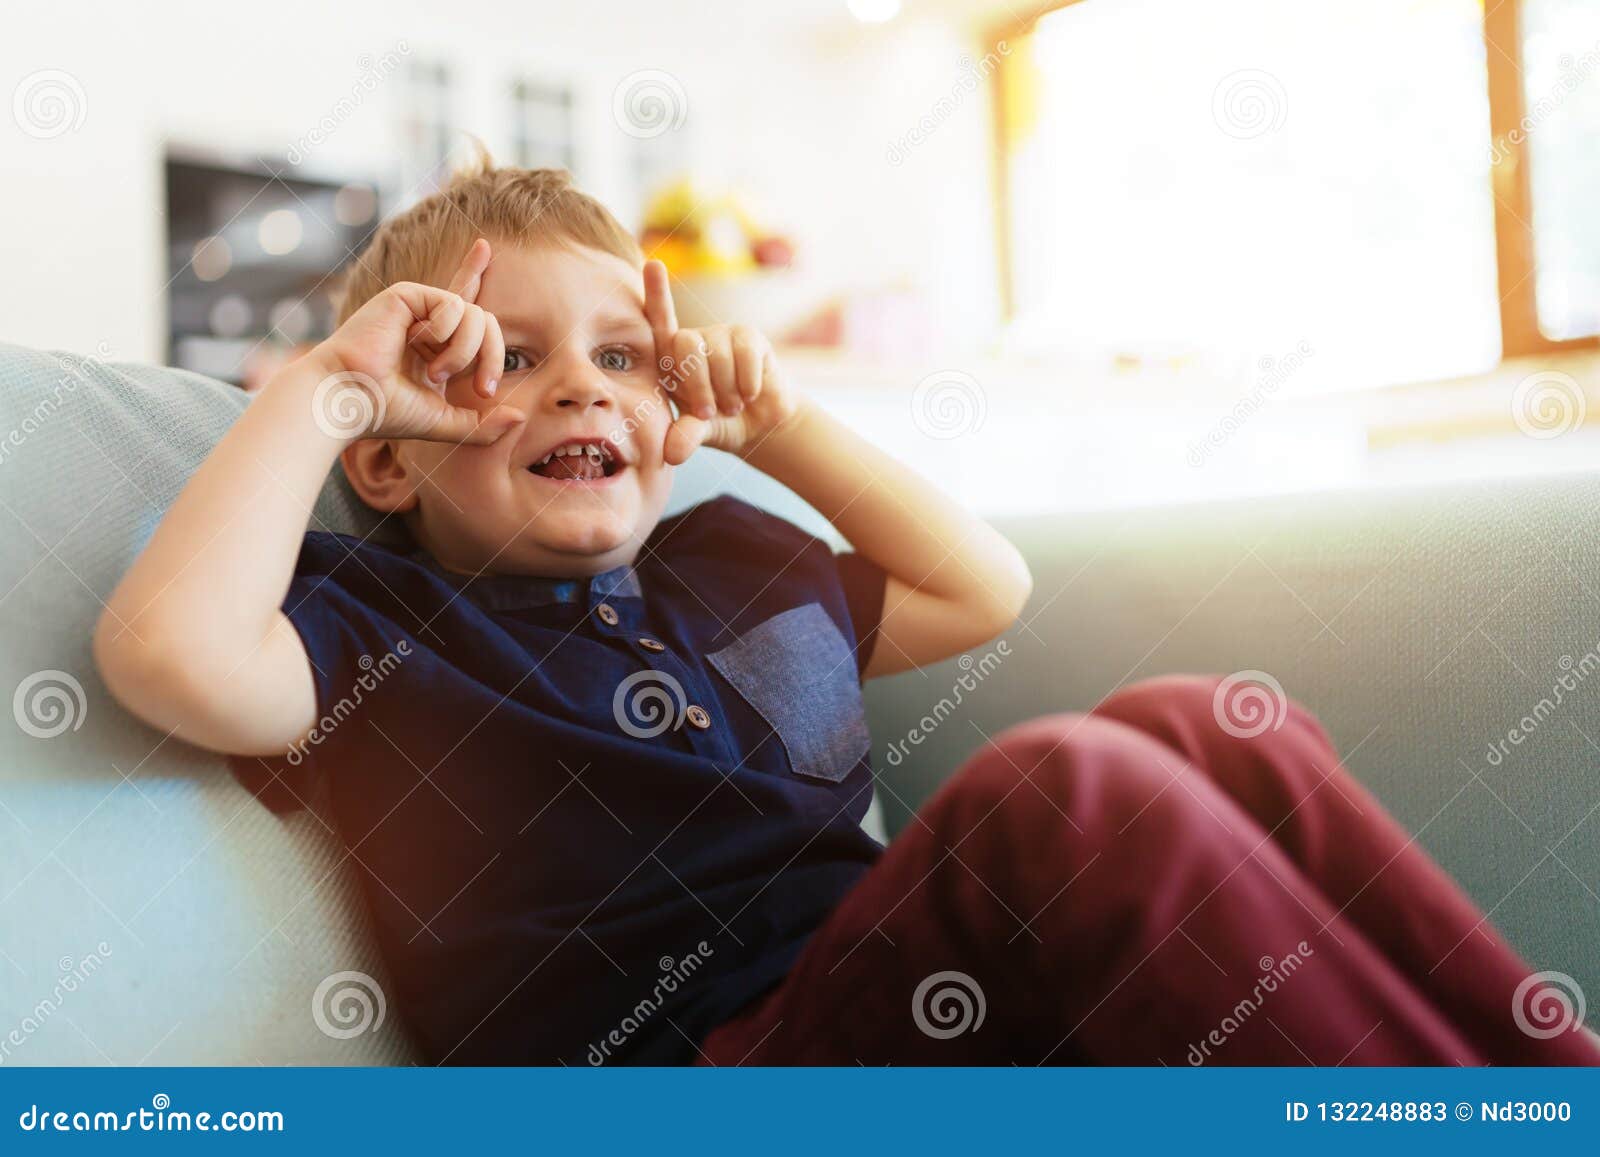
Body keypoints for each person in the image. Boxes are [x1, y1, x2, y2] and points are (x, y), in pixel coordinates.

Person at [93, 162, 1599, 1066]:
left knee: (1200, 721)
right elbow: (168, 650)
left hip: (927, 1023)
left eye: (626, 354)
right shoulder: (386, 630)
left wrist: (784, 426)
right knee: (1055, 791)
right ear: (386, 456)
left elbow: (980, 585)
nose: (579, 385)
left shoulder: (733, 562)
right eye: (497, 358)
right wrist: (335, 381)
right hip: (717, 1076)